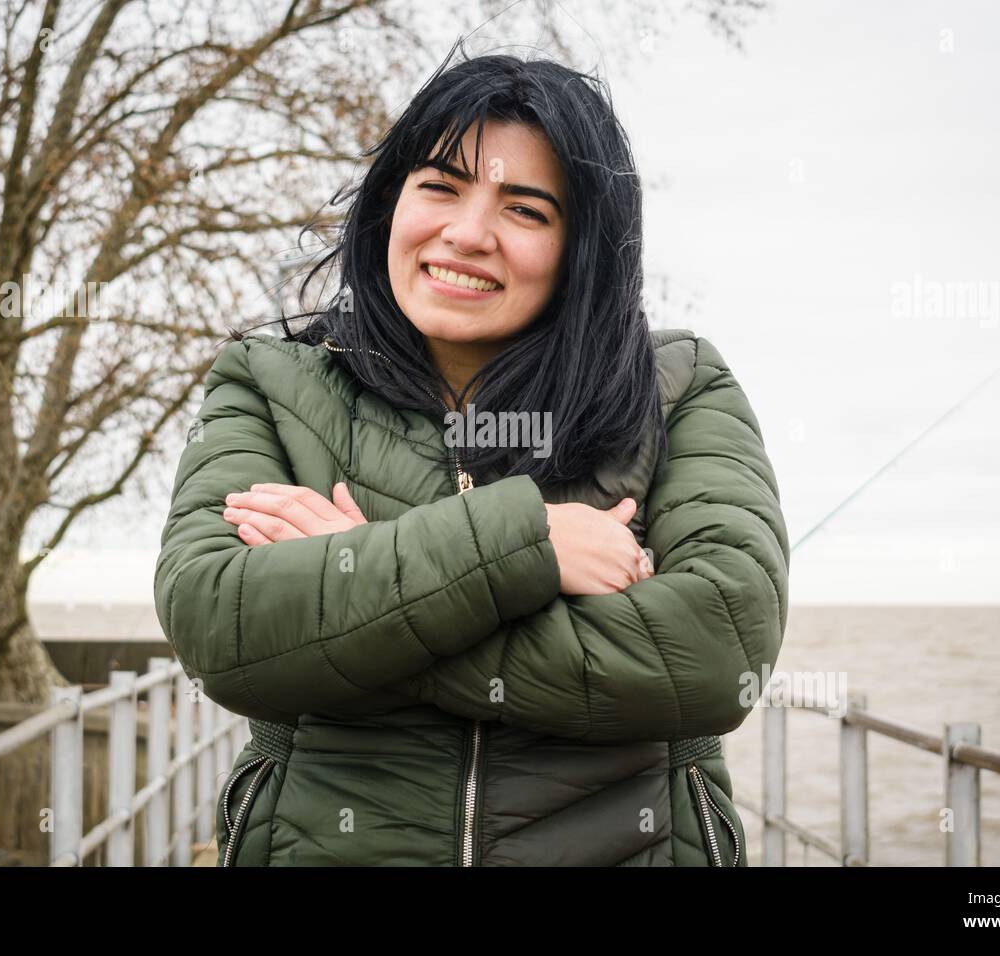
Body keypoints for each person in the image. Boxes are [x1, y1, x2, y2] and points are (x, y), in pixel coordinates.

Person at [154, 46, 790, 867]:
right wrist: (528, 541)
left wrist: (348, 593)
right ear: (391, 203)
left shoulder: (678, 387)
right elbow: (220, 628)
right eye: (440, 188)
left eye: (526, 210)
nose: (467, 233)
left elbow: (716, 654)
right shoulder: (269, 383)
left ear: (582, 247)